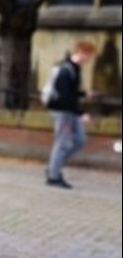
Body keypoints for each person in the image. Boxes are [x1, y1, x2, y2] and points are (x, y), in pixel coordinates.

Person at [45, 39, 97, 189]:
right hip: (62, 111)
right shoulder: (66, 70)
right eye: (88, 56)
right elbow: (65, 96)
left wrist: (84, 94)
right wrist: (81, 114)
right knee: (62, 142)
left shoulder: (75, 68)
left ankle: (53, 167)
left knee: (80, 140)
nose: (89, 60)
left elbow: (72, 92)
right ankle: (53, 175)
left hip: (70, 110)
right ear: (81, 53)